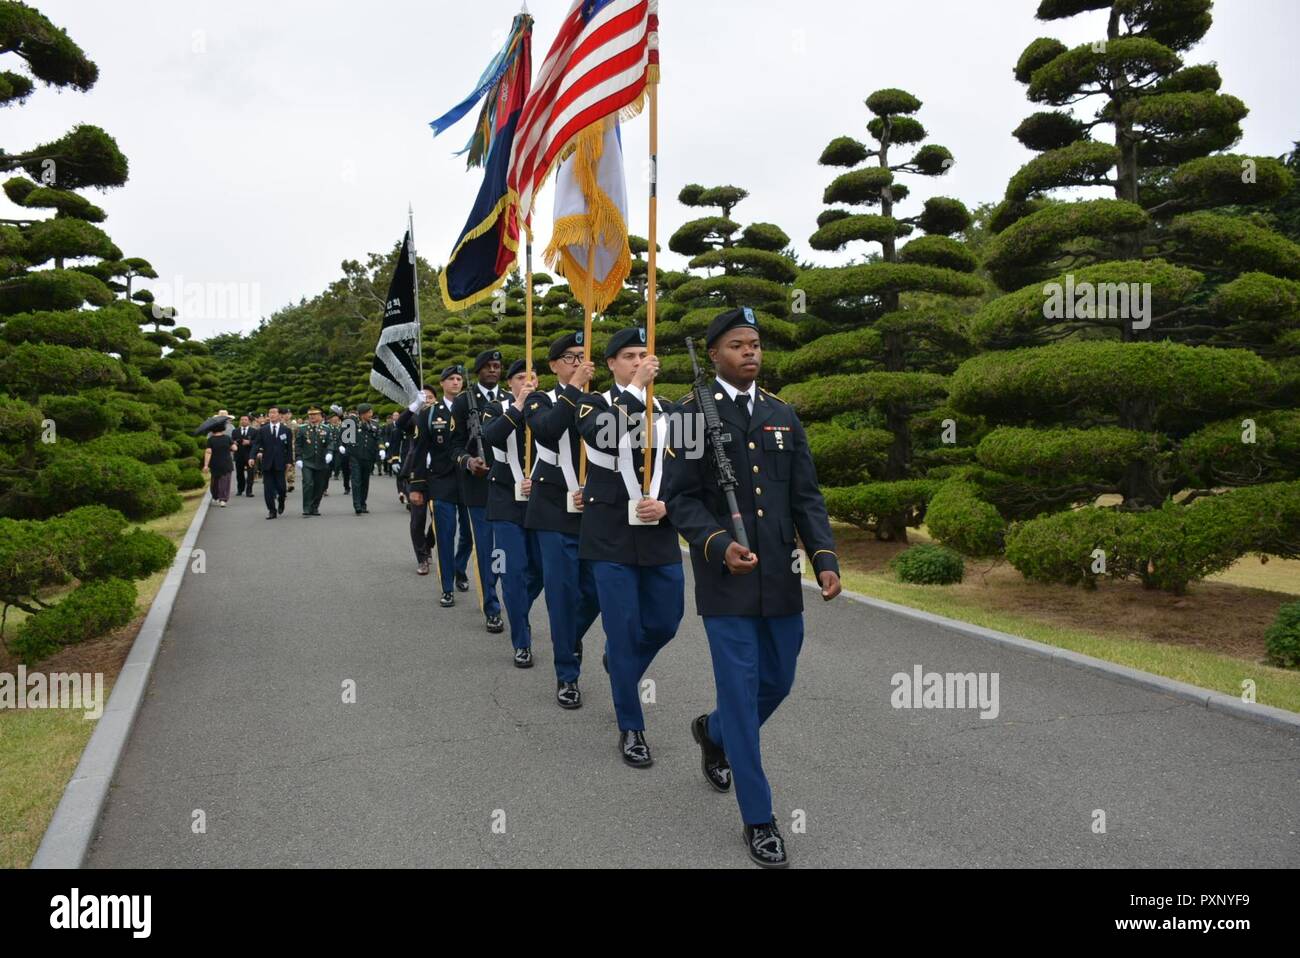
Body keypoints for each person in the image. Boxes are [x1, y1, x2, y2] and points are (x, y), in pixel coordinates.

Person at [666, 307, 843, 869]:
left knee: (780, 680)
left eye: (756, 344)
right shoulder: (692, 415)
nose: (751, 353)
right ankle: (759, 819)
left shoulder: (781, 414)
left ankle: (711, 732)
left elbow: (805, 497)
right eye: (738, 345)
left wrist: (824, 557)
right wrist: (718, 544)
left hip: (780, 580)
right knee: (742, 695)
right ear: (715, 353)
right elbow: (680, 499)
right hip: (726, 581)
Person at [574, 327, 683, 768]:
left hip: (657, 531)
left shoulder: (671, 411)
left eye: (645, 354)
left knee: (665, 621)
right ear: (613, 363)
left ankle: (619, 666)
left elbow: (686, 471)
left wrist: (669, 504)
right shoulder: (593, 404)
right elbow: (601, 436)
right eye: (631, 356)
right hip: (610, 534)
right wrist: (635, 391)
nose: (641, 361)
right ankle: (632, 727)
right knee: (621, 627)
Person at [525, 331, 601, 708]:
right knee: (561, 594)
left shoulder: (599, 402)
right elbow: (548, 429)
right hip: (554, 507)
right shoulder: (540, 399)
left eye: (582, 356)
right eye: (570, 357)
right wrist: (572, 388)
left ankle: (569, 640)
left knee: (597, 591)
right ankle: (566, 675)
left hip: (597, 508)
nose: (577, 362)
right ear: (553, 364)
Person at [482, 359, 545, 668]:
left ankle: (517, 607)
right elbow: (490, 436)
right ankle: (522, 641)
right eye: (521, 377)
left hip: (541, 500)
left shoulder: (547, 406)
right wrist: (518, 405)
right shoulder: (497, 406)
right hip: (505, 499)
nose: (528, 381)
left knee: (542, 570)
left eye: (532, 376)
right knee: (513, 572)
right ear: (510, 383)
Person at [450, 350, 506, 634]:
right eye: (488, 366)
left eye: (497, 366)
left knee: (506, 550)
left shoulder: (510, 398)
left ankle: (508, 595)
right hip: (479, 486)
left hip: (509, 486)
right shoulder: (463, 402)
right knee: (485, 549)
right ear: (479, 370)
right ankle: (492, 607)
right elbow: (454, 446)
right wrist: (469, 462)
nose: (493, 370)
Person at [394, 385, 439, 575]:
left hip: (439, 475)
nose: (427, 401)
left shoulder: (443, 417)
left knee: (440, 519)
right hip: (417, 474)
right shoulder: (415, 419)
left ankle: (428, 544)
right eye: (424, 398)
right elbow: (400, 424)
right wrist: (414, 406)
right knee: (417, 520)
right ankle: (422, 558)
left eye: (430, 398)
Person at [439, 365, 474, 592]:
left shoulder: (471, 406)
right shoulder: (431, 413)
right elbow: (420, 450)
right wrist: (415, 483)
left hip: (468, 479)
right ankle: (446, 587)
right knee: (445, 534)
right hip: (442, 481)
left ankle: (459, 567)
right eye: (450, 378)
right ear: (442, 383)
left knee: (468, 534)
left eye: (458, 378)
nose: (455, 382)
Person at [249, 406, 292, 519]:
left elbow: (289, 448)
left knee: (281, 488)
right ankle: (272, 511)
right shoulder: (263, 430)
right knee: (268, 489)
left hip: (280, 462)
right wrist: (252, 457)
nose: (272, 415)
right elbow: (256, 444)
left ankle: (281, 502)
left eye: (274, 412)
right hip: (267, 463)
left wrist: (289, 461)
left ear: (279, 415)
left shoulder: (286, 430)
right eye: (270, 413)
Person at [342, 404, 382, 514]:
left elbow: (379, 437)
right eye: (368, 412)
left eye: (371, 412)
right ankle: (357, 505)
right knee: (356, 480)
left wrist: (381, 448)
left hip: (368, 456)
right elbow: (344, 437)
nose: (371, 414)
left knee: (365, 481)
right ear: (362, 414)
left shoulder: (374, 424)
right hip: (355, 456)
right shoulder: (352, 422)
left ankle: (363, 503)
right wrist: (343, 446)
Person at [295, 405, 335, 516]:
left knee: (319, 486)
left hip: (321, 461)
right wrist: (298, 458)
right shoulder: (302, 429)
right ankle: (307, 508)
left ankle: (315, 506)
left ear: (321, 416)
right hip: (307, 461)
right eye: (310, 415)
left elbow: (330, 443)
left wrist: (330, 453)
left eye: (315, 414)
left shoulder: (326, 429)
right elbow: (298, 444)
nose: (312, 417)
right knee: (308, 484)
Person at [202, 420, 235, 507]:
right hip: (226, 462)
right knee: (225, 481)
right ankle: (223, 499)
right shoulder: (227, 438)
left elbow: (208, 452)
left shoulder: (210, 440)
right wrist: (231, 446)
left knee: (215, 481)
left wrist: (206, 465)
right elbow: (235, 448)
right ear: (222, 429)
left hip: (215, 463)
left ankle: (215, 496)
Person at [233, 414, 256, 497]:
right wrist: (234, 443)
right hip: (238, 455)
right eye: (242, 419)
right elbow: (232, 441)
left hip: (250, 455)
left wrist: (249, 442)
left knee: (250, 474)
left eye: (245, 420)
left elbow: (257, 443)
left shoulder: (254, 431)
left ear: (249, 421)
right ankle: (240, 489)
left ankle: (249, 491)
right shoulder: (235, 431)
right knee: (239, 474)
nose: (243, 421)